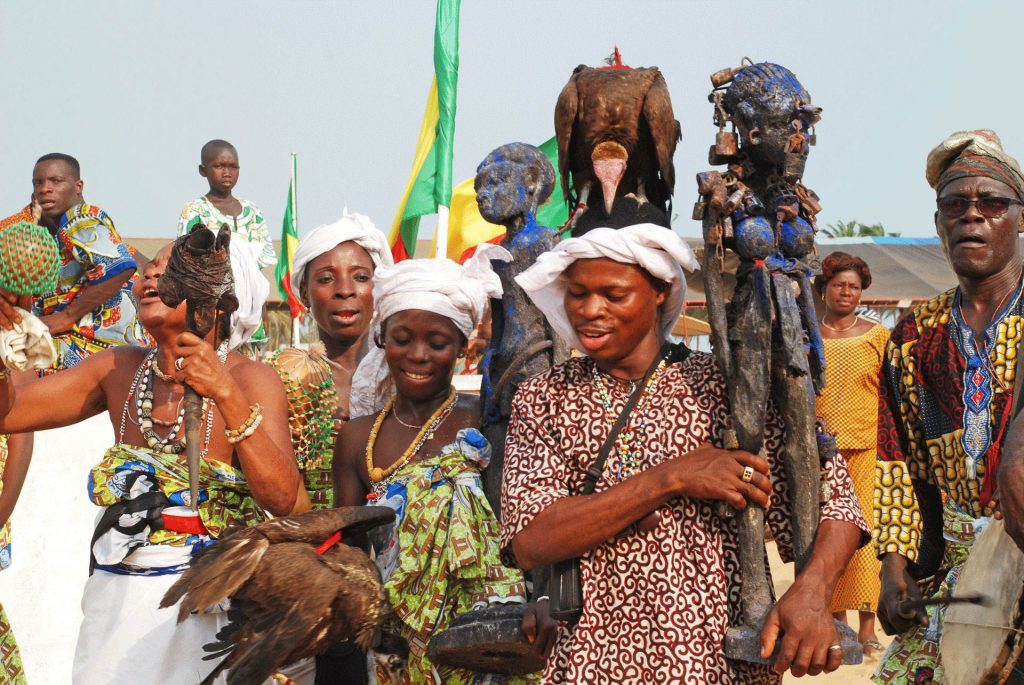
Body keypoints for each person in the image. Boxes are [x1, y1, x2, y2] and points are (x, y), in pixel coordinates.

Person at [501, 221, 869, 684]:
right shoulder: (545, 398)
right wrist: (671, 478)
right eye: (577, 294)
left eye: (614, 295)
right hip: (591, 663)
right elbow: (532, 539)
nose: (591, 310)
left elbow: (836, 502)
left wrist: (813, 592)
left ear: (659, 293)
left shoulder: (731, 389)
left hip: (717, 665)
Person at [0, 242, 304, 684]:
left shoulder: (251, 380)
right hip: (116, 606)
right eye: (149, 270)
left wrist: (227, 396)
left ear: (217, 299)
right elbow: (9, 415)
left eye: (168, 269)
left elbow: (283, 499)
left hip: (211, 604)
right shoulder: (118, 368)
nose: (149, 278)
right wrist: (7, 331)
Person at [333, 249, 552, 684]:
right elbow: (347, 551)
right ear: (381, 338)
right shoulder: (358, 437)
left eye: (437, 344)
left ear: (462, 348)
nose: (418, 355)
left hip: (494, 635)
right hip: (400, 648)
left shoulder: (485, 419)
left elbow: (526, 520)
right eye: (402, 339)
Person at [874, 130, 1024, 683]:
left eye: (992, 203)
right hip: (961, 573)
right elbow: (899, 460)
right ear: (939, 223)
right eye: (955, 205)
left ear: (1020, 218)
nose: (972, 216)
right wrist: (894, 568)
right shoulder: (915, 336)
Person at [269, 210, 393, 685]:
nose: (345, 290)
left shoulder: (405, 373)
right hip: (305, 581)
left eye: (360, 276)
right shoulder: (277, 376)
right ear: (303, 293)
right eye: (326, 278)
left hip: (394, 576)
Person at [813, 251, 889, 657]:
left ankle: (867, 630)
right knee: (824, 536)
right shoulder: (809, 338)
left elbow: (891, 394)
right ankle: (835, 623)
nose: (847, 292)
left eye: (854, 287)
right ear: (824, 288)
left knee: (864, 539)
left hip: (866, 449)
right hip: (818, 454)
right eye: (840, 284)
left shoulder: (878, 336)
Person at [6, 153, 145, 372]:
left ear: (78, 186)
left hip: (100, 347)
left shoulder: (78, 218)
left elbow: (122, 267)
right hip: (82, 344)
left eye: (56, 181)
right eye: (38, 183)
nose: (45, 188)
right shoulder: (52, 232)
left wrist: (66, 317)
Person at [178, 139, 276, 269]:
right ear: (203, 170)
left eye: (233, 166)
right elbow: (185, 257)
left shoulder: (252, 211)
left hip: (249, 287)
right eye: (219, 166)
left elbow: (266, 254)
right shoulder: (194, 210)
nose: (227, 173)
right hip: (209, 286)